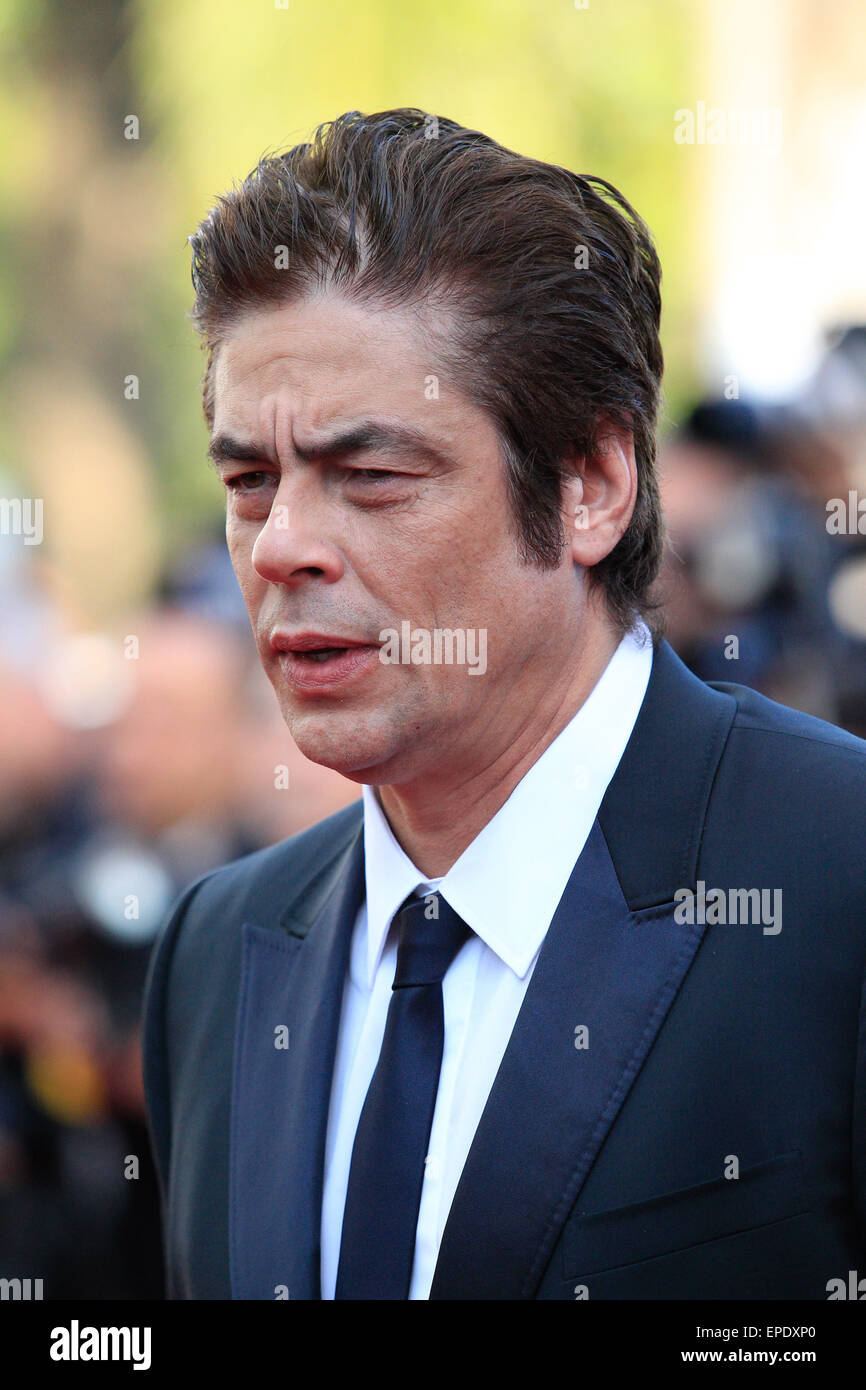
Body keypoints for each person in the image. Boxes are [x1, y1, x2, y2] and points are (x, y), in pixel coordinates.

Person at [142, 108, 866, 1300]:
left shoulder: (833, 880)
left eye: (369, 477)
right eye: (250, 480)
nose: (281, 547)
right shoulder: (220, 950)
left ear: (589, 484)